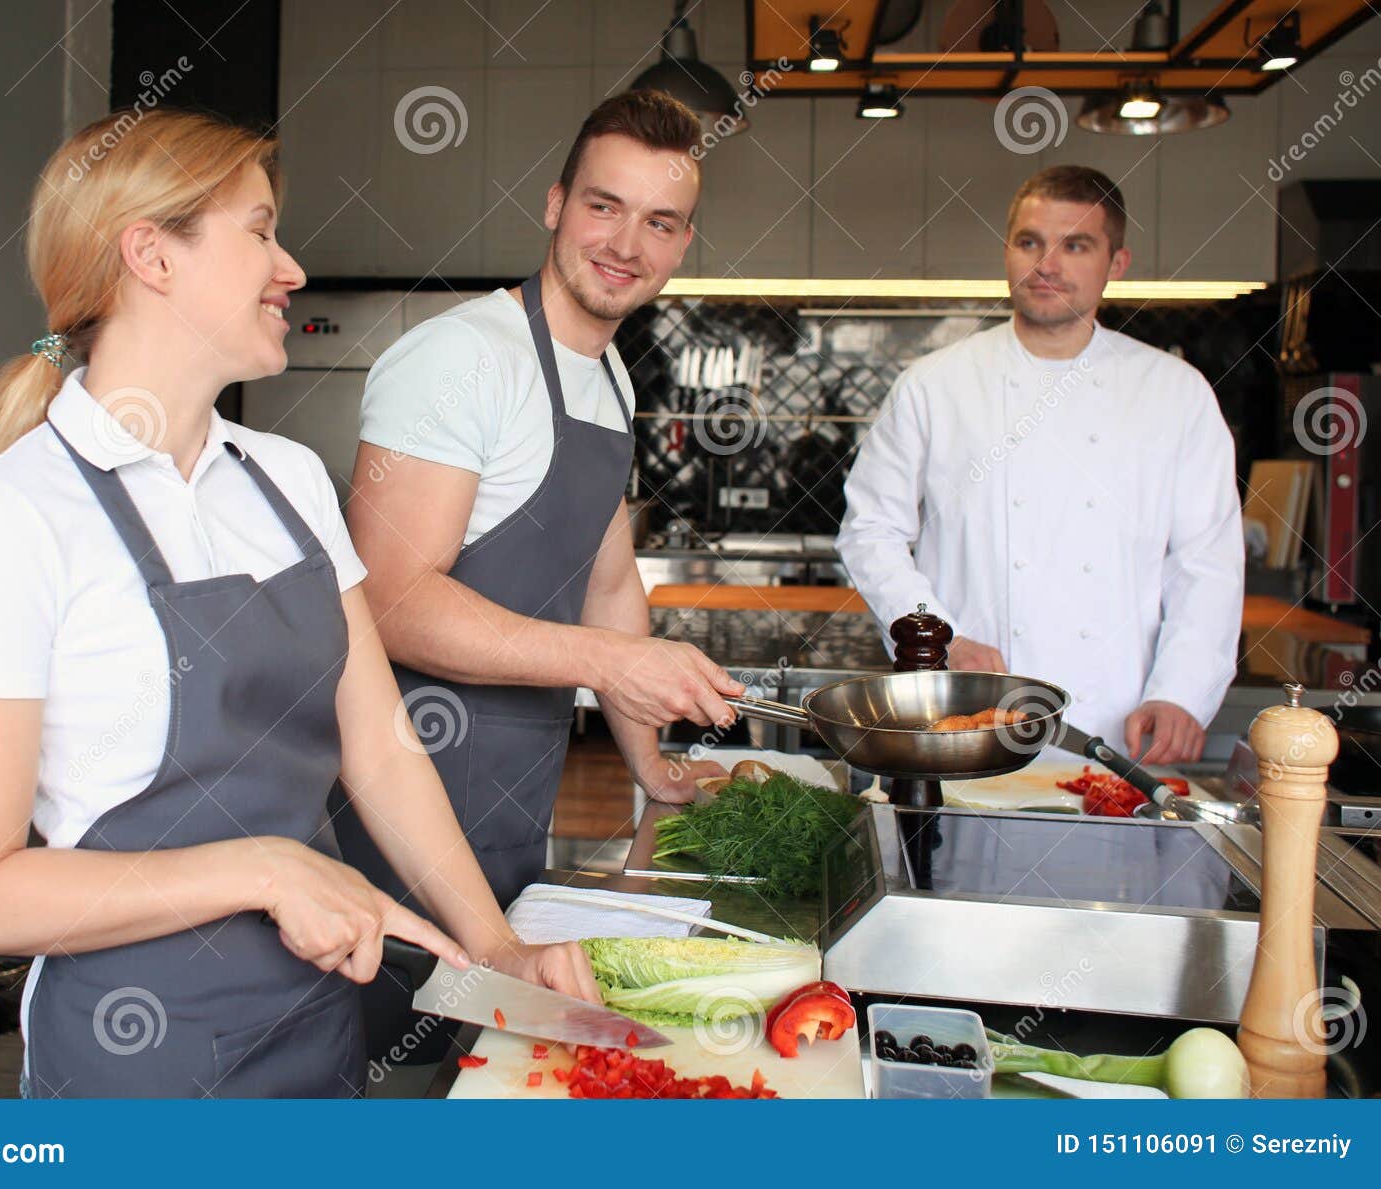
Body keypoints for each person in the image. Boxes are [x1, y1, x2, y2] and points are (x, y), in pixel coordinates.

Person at [0, 109, 598, 1100]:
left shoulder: (288, 481)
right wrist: (265, 869)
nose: (292, 268)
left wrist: (495, 945)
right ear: (153, 255)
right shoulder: (12, 520)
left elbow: (380, 744)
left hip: (318, 1022)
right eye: (260, 229)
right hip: (138, 1061)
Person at [337, 91, 740, 1056]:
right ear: (556, 203)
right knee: (385, 1071)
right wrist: (604, 660)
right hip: (396, 808)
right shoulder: (461, 361)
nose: (626, 242)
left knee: (479, 1072)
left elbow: (608, 584)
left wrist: (653, 767)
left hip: (513, 801)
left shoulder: (609, 375)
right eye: (604, 206)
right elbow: (387, 602)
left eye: (659, 222)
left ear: (683, 243)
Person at [836, 165, 1244, 764]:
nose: (1046, 264)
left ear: (1118, 263)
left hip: (1119, 731)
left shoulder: (1175, 393)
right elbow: (871, 532)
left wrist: (1182, 693)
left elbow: (1206, 563)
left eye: (1075, 245)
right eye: (1029, 242)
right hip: (966, 725)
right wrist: (938, 638)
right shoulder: (934, 385)